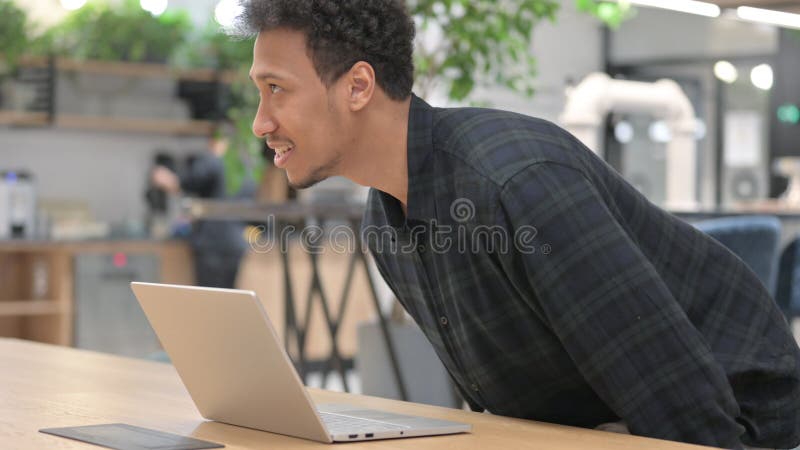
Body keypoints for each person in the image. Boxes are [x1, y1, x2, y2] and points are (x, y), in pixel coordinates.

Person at [236, 1, 800, 449]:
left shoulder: (516, 181)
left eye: (276, 89)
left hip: (738, 426)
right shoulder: (384, 219)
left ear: (358, 86)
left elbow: (681, 405)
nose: (262, 122)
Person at [151, 128, 247, 289]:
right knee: (228, 297)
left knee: (208, 298)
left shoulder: (213, 161)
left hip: (211, 242)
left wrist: (164, 178)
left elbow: (186, 183)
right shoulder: (243, 167)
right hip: (235, 242)